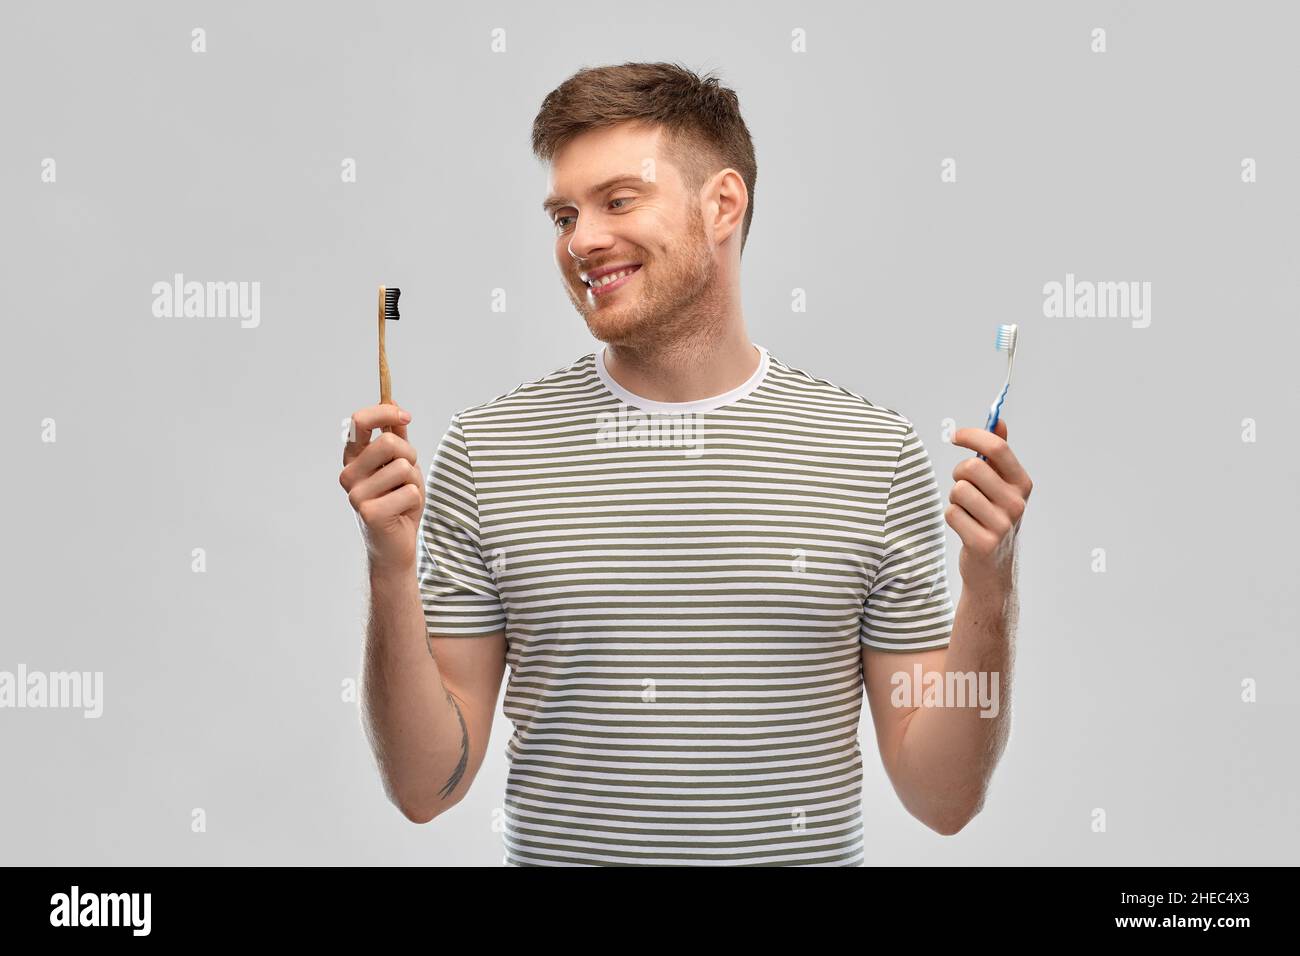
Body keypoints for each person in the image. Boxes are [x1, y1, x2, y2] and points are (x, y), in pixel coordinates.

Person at [339, 62, 1034, 866]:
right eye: (564, 214)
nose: (582, 240)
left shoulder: (871, 455)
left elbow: (941, 797)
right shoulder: (489, 451)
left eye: (617, 201)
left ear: (722, 205)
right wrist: (388, 570)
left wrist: (991, 585)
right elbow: (428, 788)